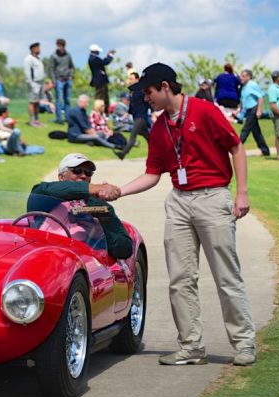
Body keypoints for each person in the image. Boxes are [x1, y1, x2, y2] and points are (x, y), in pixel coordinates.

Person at [108, 62, 256, 366]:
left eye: (147, 91)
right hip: (179, 201)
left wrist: (241, 192)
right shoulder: (160, 128)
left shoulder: (204, 110)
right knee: (180, 279)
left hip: (212, 197)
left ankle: (243, 343)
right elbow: (152, 174)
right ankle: (191, 346)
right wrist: (119, 191)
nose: (145, 98)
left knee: (226, 276)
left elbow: (236, 147)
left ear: (165, 86)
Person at [30, 153, 132, 260]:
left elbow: (124, 250)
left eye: (88, 173)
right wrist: (93, 188)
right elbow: (45, 189)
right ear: (61, 177)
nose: (83, 176)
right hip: (45, 255)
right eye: (76, 170)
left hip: (83, 261)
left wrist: (100, 230)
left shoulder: (97, 204)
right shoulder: (45, 195)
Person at [114, 72, 151, 160]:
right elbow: (132, 107)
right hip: (137, 118)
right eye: (129, 79)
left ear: (137, 79)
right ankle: (161, 153)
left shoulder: (142, 91)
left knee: (132, 137)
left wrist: (153, 113)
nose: (129, 81)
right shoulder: (132, 92)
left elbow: (148, 102)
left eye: (131, 79)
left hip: (141, 118)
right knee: (149, 138)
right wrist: (127, 113)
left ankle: (123, 153)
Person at [238, 68, 270, 156]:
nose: (241, 78)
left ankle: (237, 148)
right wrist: (239, 109)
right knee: (256, 132)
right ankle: (265, 150)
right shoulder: (244, 86)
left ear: (248, 77)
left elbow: (260, 97)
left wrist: (259, 110)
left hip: (253, 109)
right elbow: (243, 99)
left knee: (245, 129)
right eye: (241, 76)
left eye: (243, 76)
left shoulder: (252, 85)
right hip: (248, 110)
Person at [49, 39, 75, 124]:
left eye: (62, 46)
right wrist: (54, 80)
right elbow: (51, 69)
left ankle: (67, 118)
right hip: (59, 80)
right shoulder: (53, 56)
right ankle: (59, 119)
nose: (60, 47)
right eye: (59, 45)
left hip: (68, 80)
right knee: (59, 100)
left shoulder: (68, 55)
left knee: (67, 100)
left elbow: (71, 66)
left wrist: (70, 76)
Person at [88, 44, 115, 115]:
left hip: (100, 81)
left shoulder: (93, 58)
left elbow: (102, 62)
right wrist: (110, 55)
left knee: (104, 97)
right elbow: (105, 62)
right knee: (100, 97)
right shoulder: (94, 59)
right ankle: (99, 112)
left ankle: (105, 112)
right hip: (100, 81)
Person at [23, 42, 46, 127]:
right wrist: (31, 84)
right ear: (33, 49)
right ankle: (32, 120)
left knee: (37, 102)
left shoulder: (38, 59)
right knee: (32, 102)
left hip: (40, 83)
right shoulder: (28, 59)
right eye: (38, 48)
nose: (39, 50)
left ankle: (36, 120)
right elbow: (27, 72)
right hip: (33, 83)